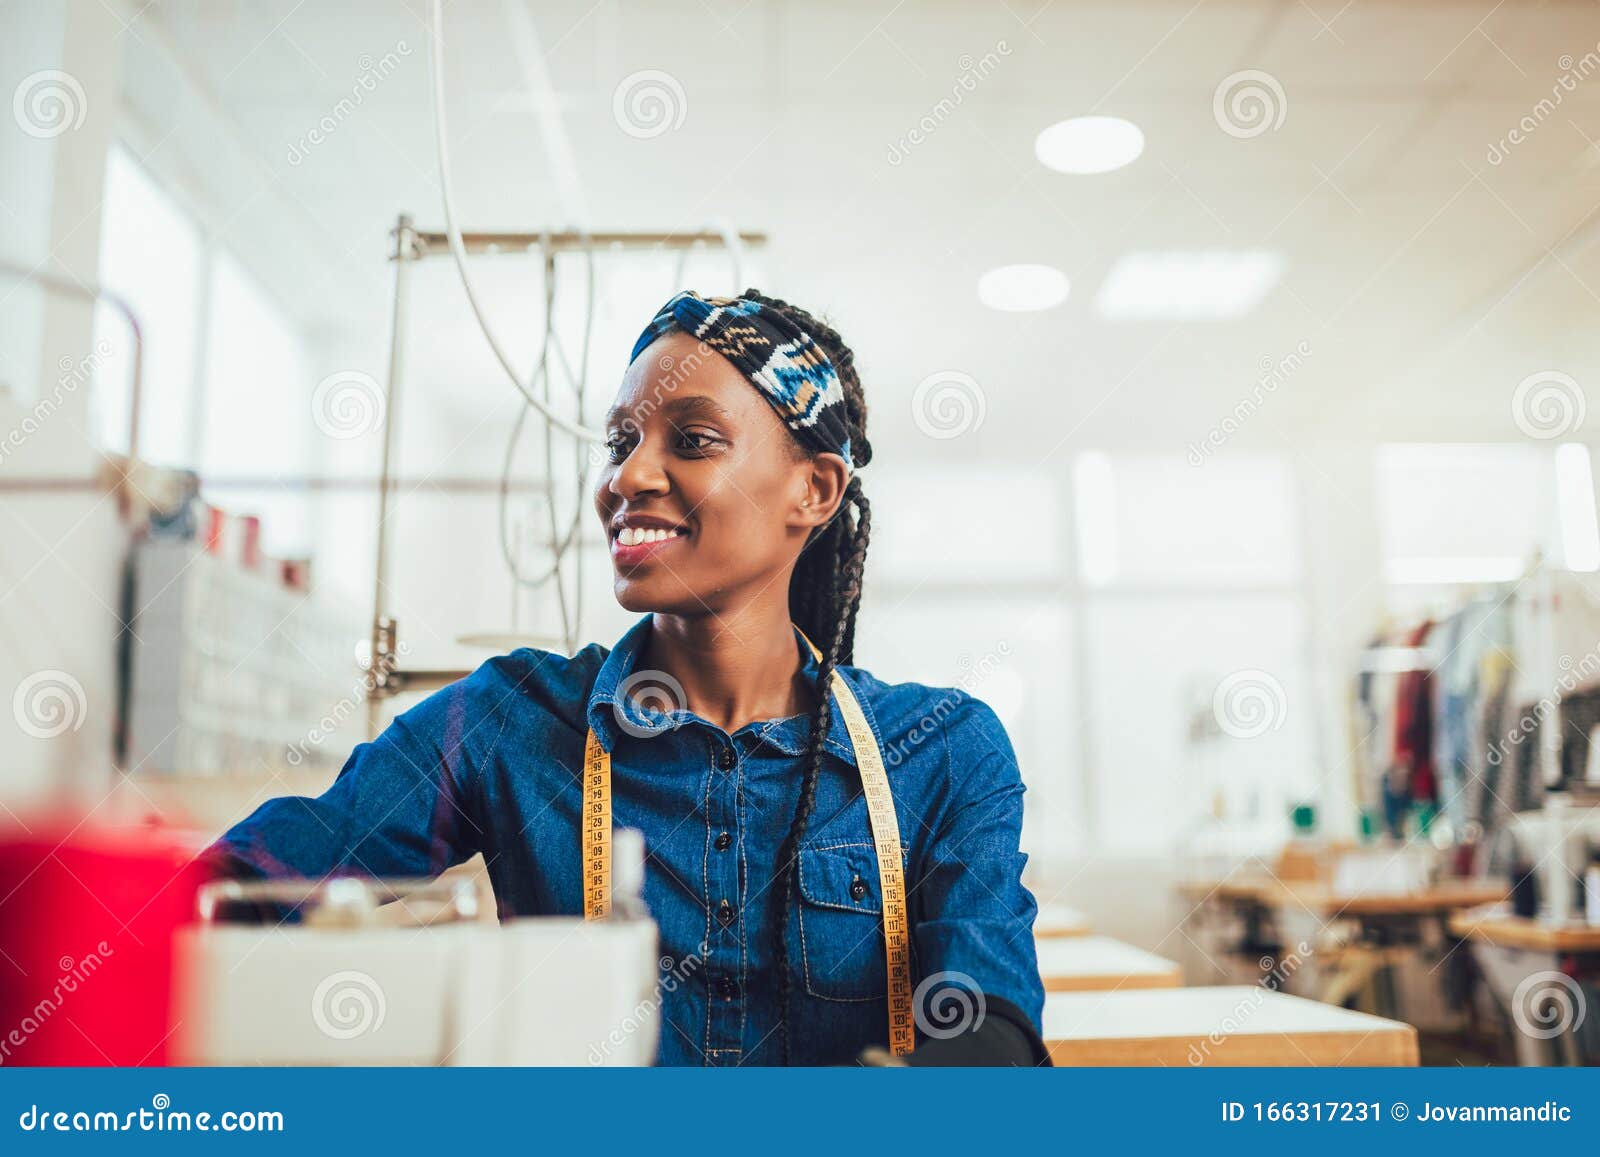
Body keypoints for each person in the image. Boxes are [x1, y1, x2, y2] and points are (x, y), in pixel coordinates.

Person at [206, 290, 1047, 1066]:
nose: (627, 477)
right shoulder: (508, 724)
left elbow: (991, 1030)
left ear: (814, 489)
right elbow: (242, 886)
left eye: (691, 439)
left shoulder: (940, 751)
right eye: (619, 443)